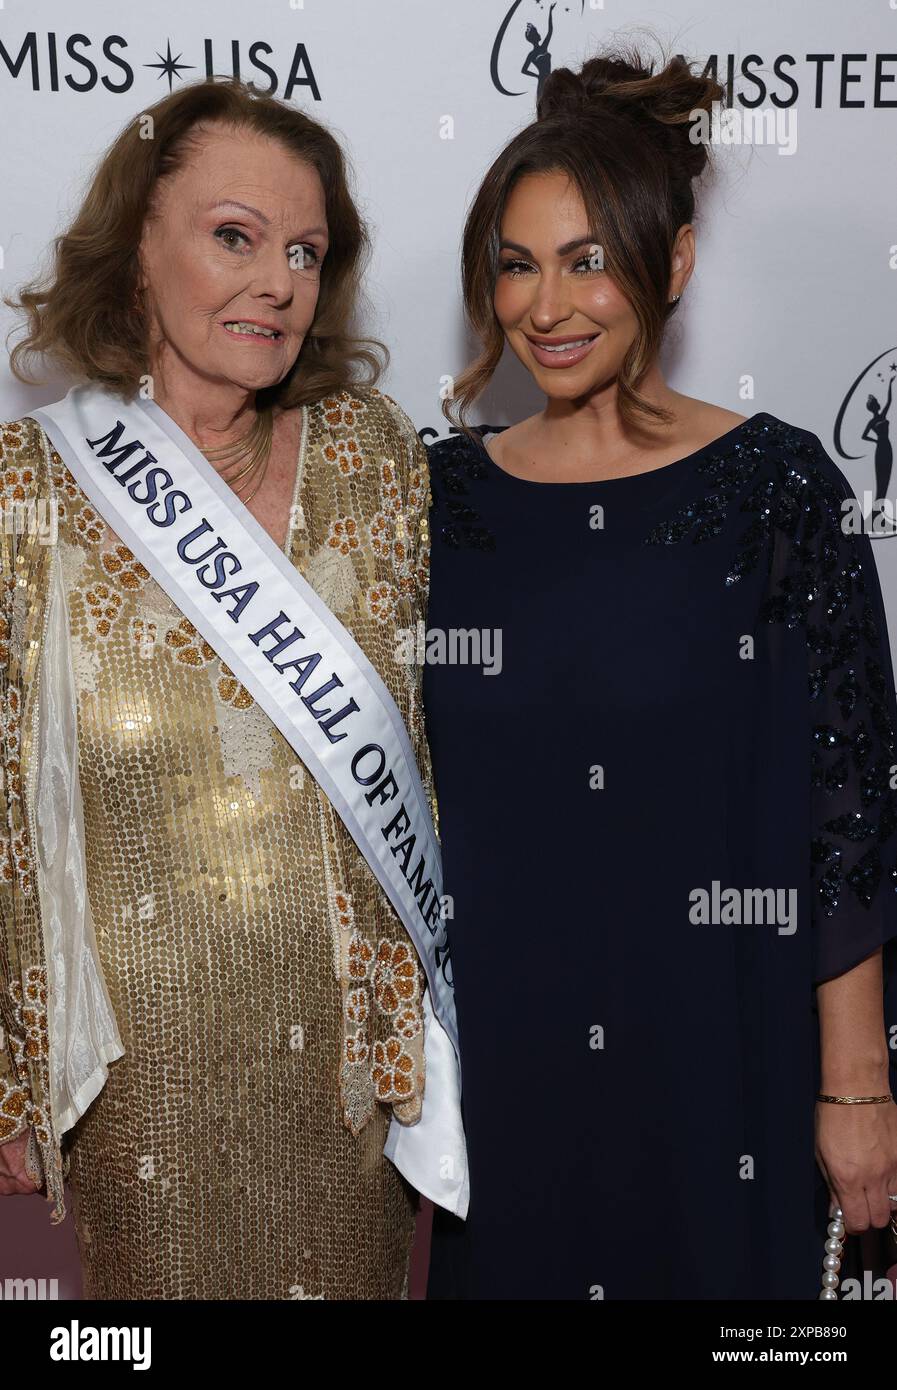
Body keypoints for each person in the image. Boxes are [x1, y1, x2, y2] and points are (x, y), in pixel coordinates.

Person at [423, 44, 897, 1299]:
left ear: (672, 263)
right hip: (503, 1082)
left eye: (589, 259)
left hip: (718, 1060)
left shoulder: (782, 488)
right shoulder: (436, 501)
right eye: (517, 264)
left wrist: (857, 1086)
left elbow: (846, 821)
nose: (547, 304)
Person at [0, 75, 466, 1300]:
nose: (277, 283)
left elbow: (431, 737)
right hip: (138, 1081)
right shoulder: (28, 487)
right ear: (138, 242)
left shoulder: (374, 454)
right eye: (233, 237)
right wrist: (8, 1065)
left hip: (354, 1079)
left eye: (304, 252)